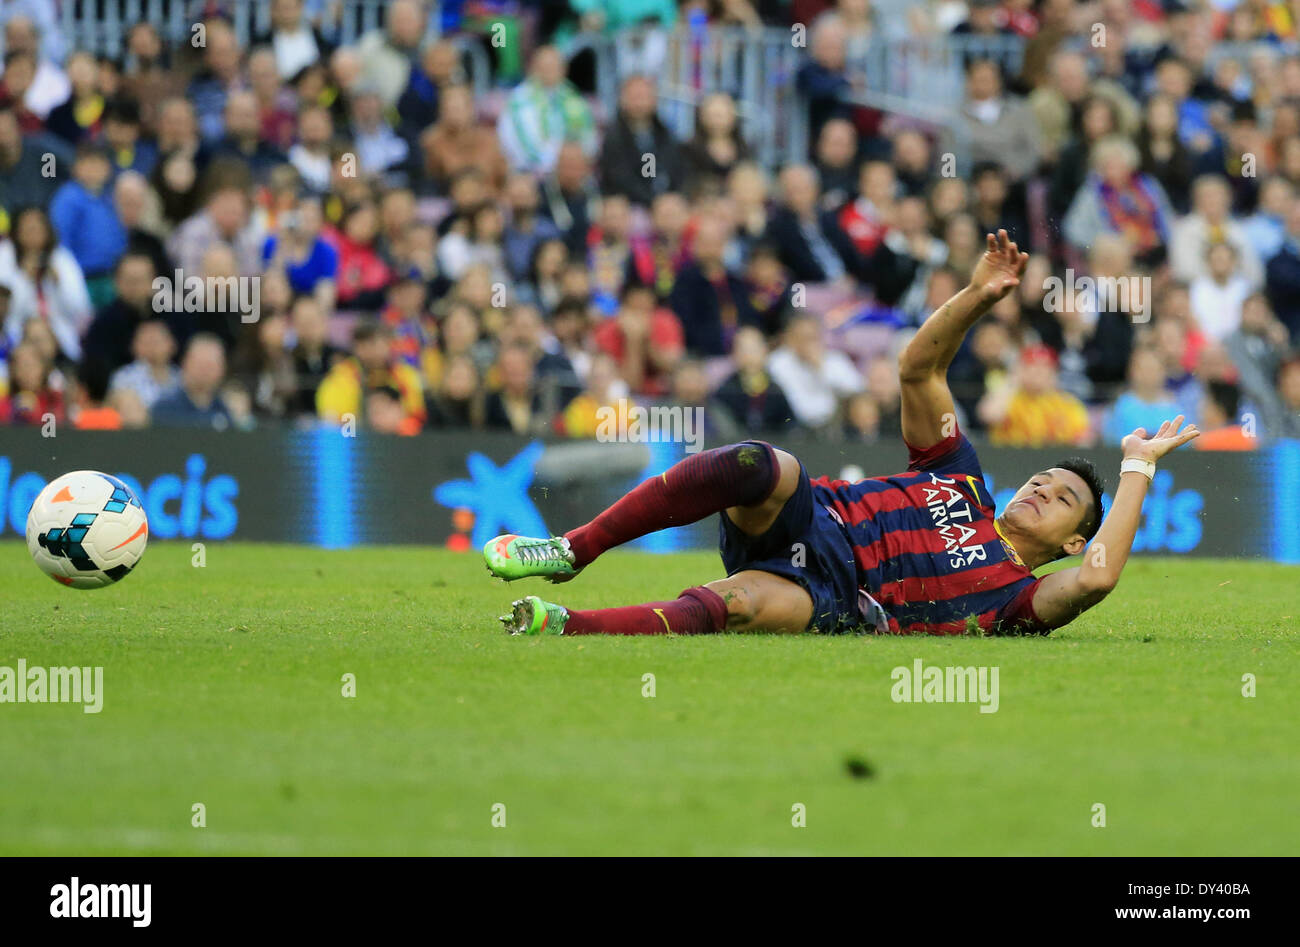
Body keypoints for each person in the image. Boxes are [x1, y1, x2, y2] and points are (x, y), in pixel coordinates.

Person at [483, 231, 1201, 638]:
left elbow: (1102, 576)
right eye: (1047, 476)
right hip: (813, 516)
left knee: (743, 604)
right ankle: (571, 549)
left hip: (838, 597)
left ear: (1074, 540)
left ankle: (562, 625)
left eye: (1067, 496)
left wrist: (1136, 463)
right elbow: (917, 368)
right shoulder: (961, 476)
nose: (1046, 484)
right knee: (758, 461)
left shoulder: (1015, 601)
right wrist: (975, 299)